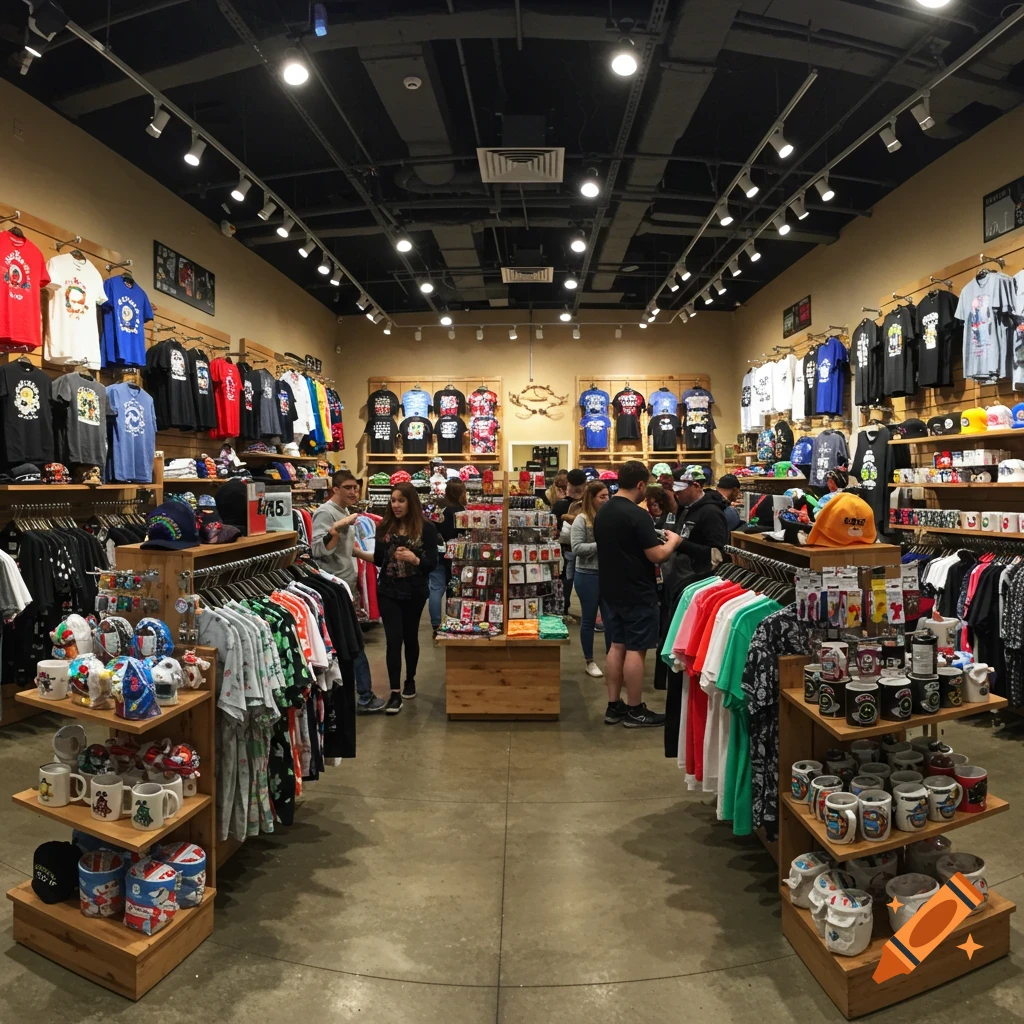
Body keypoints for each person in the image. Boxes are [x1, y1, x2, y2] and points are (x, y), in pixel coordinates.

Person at [593, 460, 682, 727]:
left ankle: (614, 705)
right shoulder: (637, 514)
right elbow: (656, 555)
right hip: (637, 589)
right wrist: (674, 542)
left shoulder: (604, 510)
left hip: (610, 587)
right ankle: (635, 709)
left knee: (616, 645)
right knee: (636, 649)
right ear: (641, 484)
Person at [311, 471, 386, 713]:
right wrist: (336, 529)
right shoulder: (326, 512)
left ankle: (345, 698)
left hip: (346, 585)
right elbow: (319, 550)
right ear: (335, 489)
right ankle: (363, 696)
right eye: (347, 487)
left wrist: (372, 558)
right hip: (334, 588)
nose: (353, 492)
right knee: (353, 643)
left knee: (349, 642)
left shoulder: (345, 512)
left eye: (356, 487)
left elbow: (347, 549)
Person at [374, 482, 439, 713]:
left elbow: (432, 563)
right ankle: (394, 693)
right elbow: (378, 559)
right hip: (388, 590)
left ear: (411, 501)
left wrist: (414, 559)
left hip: (415, 590)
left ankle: (410, 679)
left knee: (410, 637)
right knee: (393, 639)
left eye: (401, 500)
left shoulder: (427, 528)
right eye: (393, 500)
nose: (396, 505)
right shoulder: (383, 528)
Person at [570, 480, 610, 678]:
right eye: (602, 496)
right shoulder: (581, 520)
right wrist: (601, 545)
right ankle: (589, 661)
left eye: (607, 495)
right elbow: (577, 548)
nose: (606, 499)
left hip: (609, 574)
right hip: (587, 576)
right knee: (588, 619)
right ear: (592, 498)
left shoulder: (610, 518)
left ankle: (612, 660)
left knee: (610, 620)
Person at [673, 466, 729, 580]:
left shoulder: (711, 512)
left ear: (696, 486)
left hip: (700, 580)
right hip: (684, 576)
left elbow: (717, 554)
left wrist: (680, 543)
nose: (676, 494)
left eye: (680, 490)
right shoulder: (686, 508)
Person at [430, 479, 466, 631]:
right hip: (456, 555)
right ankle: (452, 620)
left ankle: (436, 623)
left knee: (436, 589)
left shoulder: (441, 510)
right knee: (454, 588)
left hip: (438, 552)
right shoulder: (461, 511)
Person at [555, 469, 587, 618]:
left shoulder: (562, 503)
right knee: (575, 579)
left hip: (567, 545)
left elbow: (554, 524)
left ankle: (564, 607)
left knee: (566, 578)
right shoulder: (589, 502)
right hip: (584, 546)